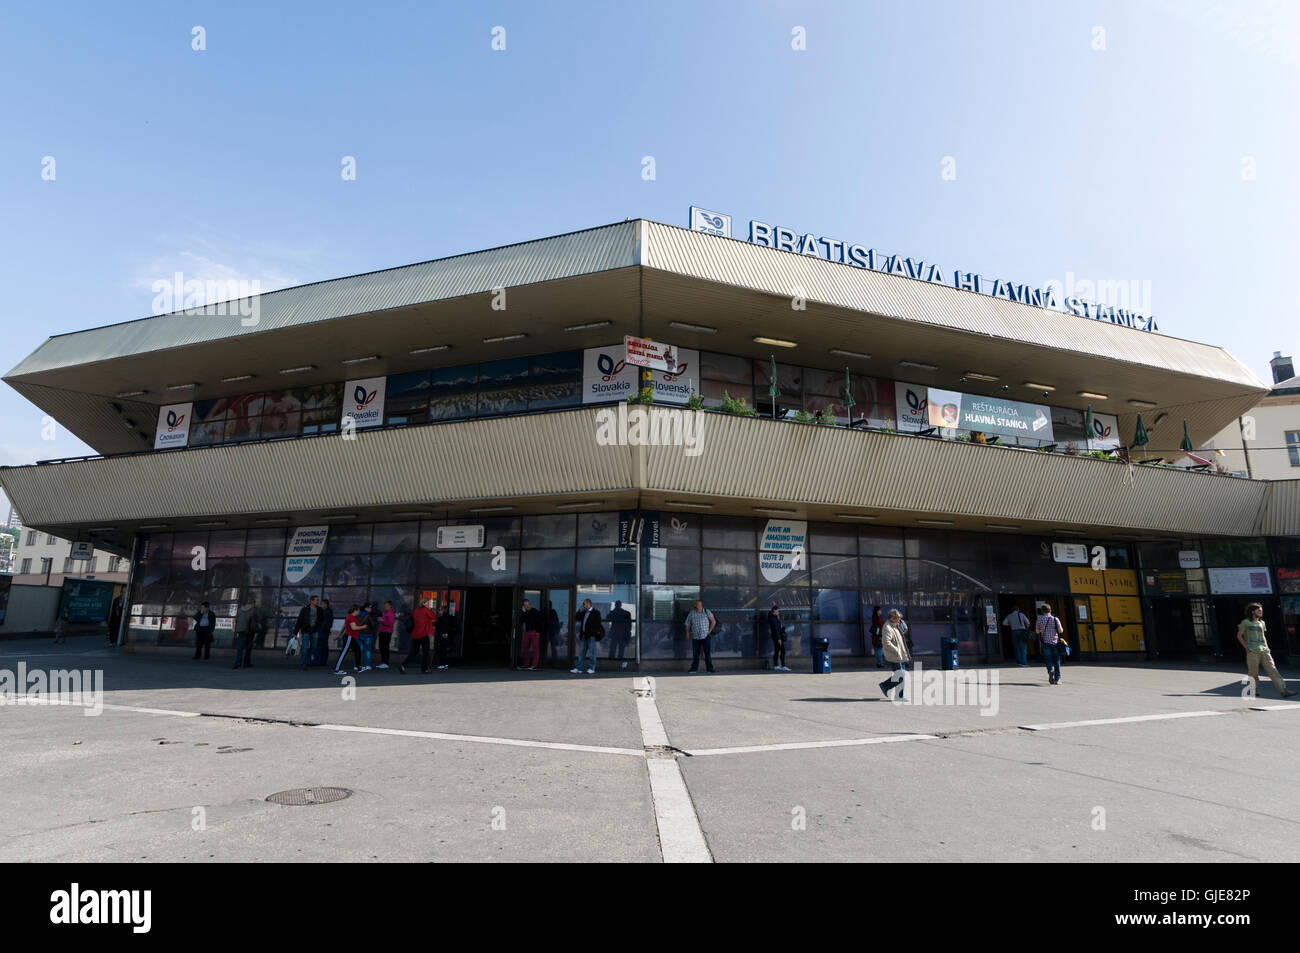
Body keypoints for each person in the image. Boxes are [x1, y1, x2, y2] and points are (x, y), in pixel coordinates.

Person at [1237, 603, 1297, 699]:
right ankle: (1253, 691)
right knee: (1253, 673)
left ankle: (1284, 691)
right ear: (1253, 611)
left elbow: (1263, 636)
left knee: (1273, 670)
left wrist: (1267, 648)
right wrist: (1247, 648)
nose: (1261, 612)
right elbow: (1239, 636)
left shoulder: (1262, 623)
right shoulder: (1246, 622)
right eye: (1259, 611)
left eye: (1261, 610)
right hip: (1252, 651)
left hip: (1264, 651)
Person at [878, 609, 910, 700]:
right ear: (892, 618)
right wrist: (897, 650)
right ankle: (885, 686)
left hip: (901, 655)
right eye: (898, 619)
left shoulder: (895, 625)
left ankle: (899, 696)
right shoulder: (887, 627)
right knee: (900, 676)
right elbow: (886, 642)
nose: (899, 620)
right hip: (895, 656)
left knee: (902, 676)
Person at [402, 598, 435, 674]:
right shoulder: (426, 610)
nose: (429, 604)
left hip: (415, 634)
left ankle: (403, 665)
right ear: (424, 603)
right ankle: (424, 669)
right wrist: (430, 609)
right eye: (428, 603)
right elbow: (433, 616)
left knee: (414, 652)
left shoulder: (415, 611)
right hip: (423, 634)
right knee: (426, 652)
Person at [684, 599, 716, 674]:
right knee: (696, 654)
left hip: (706, 636)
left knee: (707, 653)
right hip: (695, 636)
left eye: (699, 604)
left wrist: (709, 631)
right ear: (695, 605)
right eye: (697, 604)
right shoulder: (691, 613)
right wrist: (687, 634)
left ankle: (710, 669)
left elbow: (713, 621)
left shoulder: (706, 612)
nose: (698, 605)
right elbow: (687, 624)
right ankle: (693, 669)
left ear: (702, 605)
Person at [572, 598, 603, 675]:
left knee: (592, 653)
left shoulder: (596, 613)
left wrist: (592, 633)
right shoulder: (584, 612)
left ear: (589, 604)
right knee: (581, 653)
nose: (584, 605)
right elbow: (576, 617)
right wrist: (580, 609)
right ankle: (579, 668)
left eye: (584, 604)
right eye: (583, 604)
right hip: (584, 636)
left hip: (591, 636)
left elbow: (597, 625)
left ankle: (591, 668)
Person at [1036, 605, 1064, 685]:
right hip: (1055, 643)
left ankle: (1050, 671)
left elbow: (1037, 631)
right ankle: (1057, 679)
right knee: (1056, 660)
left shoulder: (1039, 619)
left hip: (1045, 643)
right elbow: (1060, 630)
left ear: (1042, 611)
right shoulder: (1055, 619)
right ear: (1050, 610)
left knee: (1048, 659)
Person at [294, 595, 322, 671]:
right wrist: (295, 632)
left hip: (315, 630)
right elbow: (299, 620)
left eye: (317, 600)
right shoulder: (305, 609)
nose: (317, 601)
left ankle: (307, 660)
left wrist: (319, 628)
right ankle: (303, 664)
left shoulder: (319, 609)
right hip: (306, 630)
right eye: (316, 600)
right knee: (305, 648)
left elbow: (321, 620)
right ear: (311, 601)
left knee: (314, 647)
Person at [333, 604, 364, 674]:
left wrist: (338, 635)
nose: (359, 612)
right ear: (355, 610)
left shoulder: (350, 617)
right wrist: (363, 627)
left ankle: (358, 667)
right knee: (344, 653)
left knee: (358, 650)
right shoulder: (351, 617)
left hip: (352, 638)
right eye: (358, 610)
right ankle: (337, 669)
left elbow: (344, 626)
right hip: (349, 637)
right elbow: (353, 628)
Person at [233, 598, 261, 669]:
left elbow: (236, 620)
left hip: (241, 630)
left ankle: (237, 663)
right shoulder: (253, 610)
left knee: (240, 648)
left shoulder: (239, 610)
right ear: (252, 604)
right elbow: (258, 619)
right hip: (250, 631)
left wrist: (235, 630)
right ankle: (246, 663)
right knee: (248, 648)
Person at [518, 598, 542, 670]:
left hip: (534, 632)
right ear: (523, 606)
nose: (527, 606)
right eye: (525, 605)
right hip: (527, 632)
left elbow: (539, 621)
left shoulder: (534, 611)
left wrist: (538, 631)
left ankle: (534, 665)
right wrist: (523, 612)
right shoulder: (524, 612)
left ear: (529, 604)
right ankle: (526, 664)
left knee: (535, 649)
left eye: (527, 604)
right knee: (525, 648)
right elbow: (521, 621)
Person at [434, 603, 458, 670]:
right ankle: (445, 664)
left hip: (443, 636)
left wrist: (444, 633)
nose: (439, 611)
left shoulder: (442, 618)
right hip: (448, 636)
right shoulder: (450, 617)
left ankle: (442, 664)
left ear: (443, 610)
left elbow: (441, 627)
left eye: (440, 610)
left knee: (442, 650)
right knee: (445, 650)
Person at [376, 600, 396, 669]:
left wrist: (382, 620)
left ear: (390, 606)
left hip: (386, 632)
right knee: (382, 647)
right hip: (382, 632)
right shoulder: (386, 612)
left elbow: (390, 623)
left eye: (387, 605)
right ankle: (383, 662)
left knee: (385, 647)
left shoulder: (391, 613)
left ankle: (385, 663)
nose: (385, 607)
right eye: (385, 605)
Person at [767, 605, 788, 671]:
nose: (778, 612)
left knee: (777, 651)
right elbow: (775, 630)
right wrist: (779, 639)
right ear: (774, 611)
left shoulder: (775, 618)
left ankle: (776, 665)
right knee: (783, 650)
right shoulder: (773, 619)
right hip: (777, 637)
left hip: (777, 637)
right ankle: (783, 666)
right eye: (777, 611)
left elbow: (779, 627)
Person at [356, 602, 375, 673]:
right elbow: (373, 625)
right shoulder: (368, 615)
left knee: (358, 650)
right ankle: (367, 665)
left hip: (358, 634)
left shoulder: (357, 614)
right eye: (369, 607)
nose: (370, 609)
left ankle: (356, 665)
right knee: (367, 651)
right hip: (368, 635)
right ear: (365, 608)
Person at [318, 599, 335, 666]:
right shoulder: (323, 611)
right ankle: (321, 660)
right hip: (323, 631)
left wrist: (321, 629)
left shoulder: (328, 612)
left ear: (326, 605)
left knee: (323, 646)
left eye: (323, 604)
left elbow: (327, 623)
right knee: (322, 646)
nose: (321, 605)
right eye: (321, 604)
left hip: (324, 632)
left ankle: (322, 661)